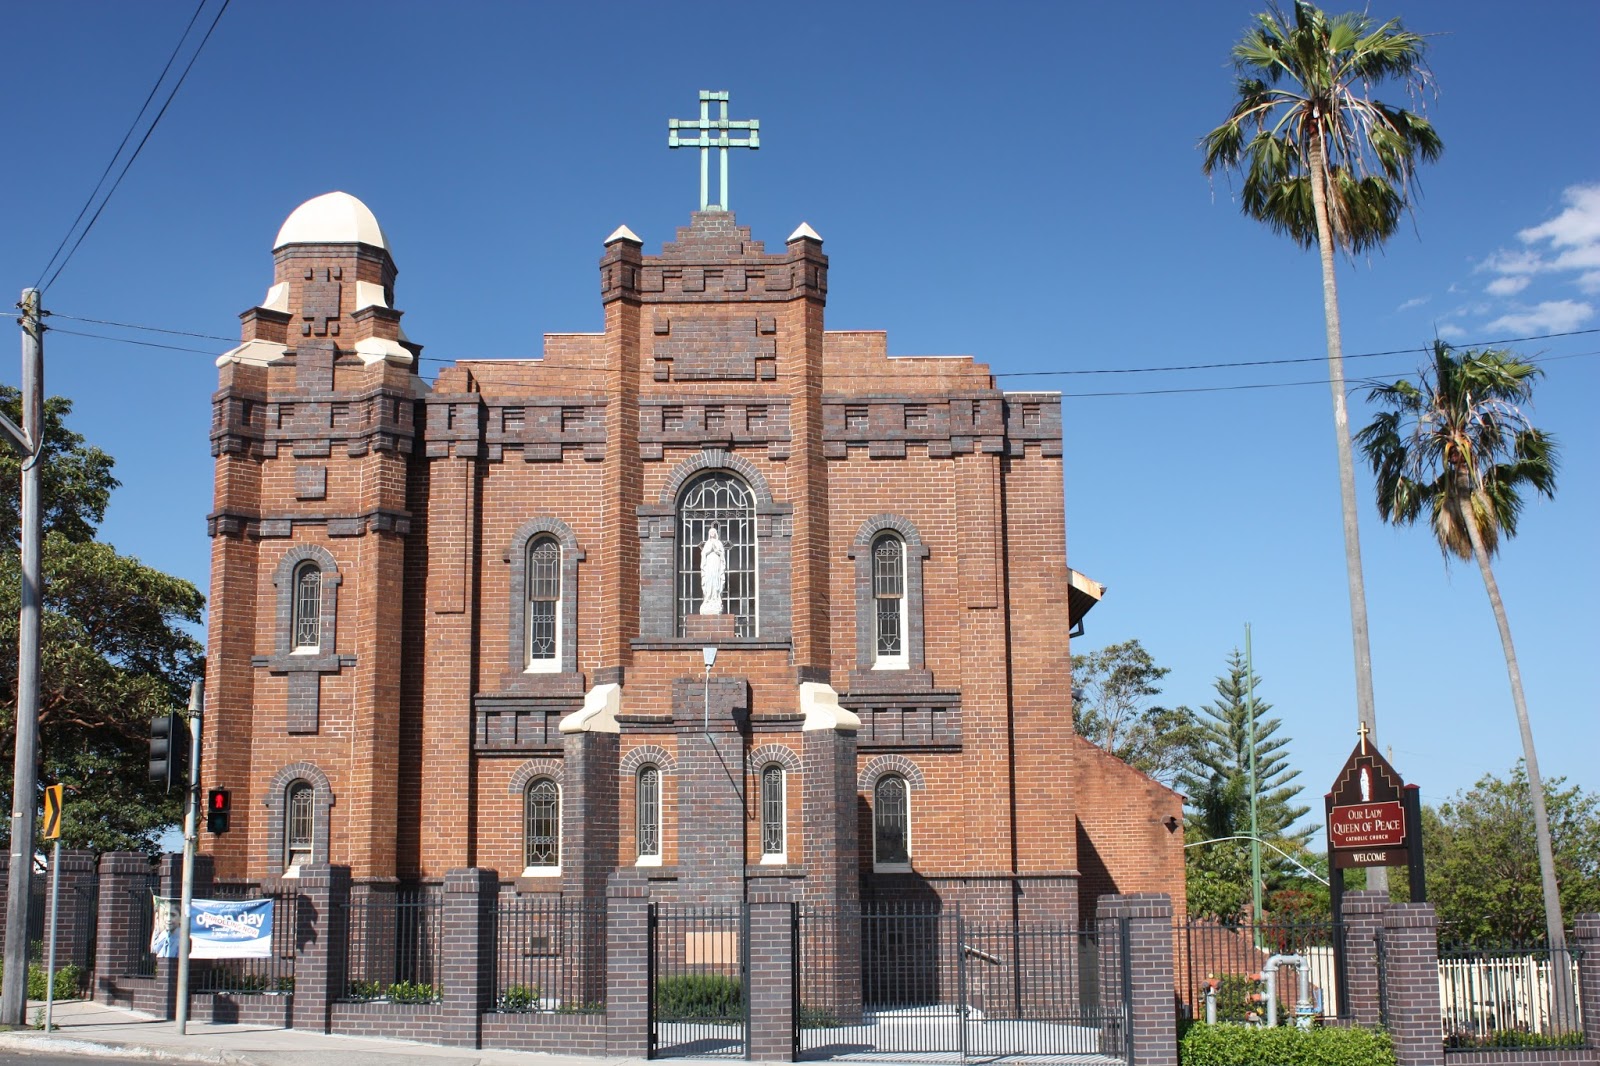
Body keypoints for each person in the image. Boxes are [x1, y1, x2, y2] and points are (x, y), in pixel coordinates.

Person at [700, 525, 726, 614]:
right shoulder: (707, 543)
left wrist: (716, 551)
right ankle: (708, 598)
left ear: (716, 534)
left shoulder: (719, 543)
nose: (712, 534)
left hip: (716, 563)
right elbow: (703, 554)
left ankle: (715, 598)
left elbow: (722, 554)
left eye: (713, 532)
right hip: (709, 564)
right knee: (709, 580)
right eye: (710, 532)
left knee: (716, 579)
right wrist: (709, 550)